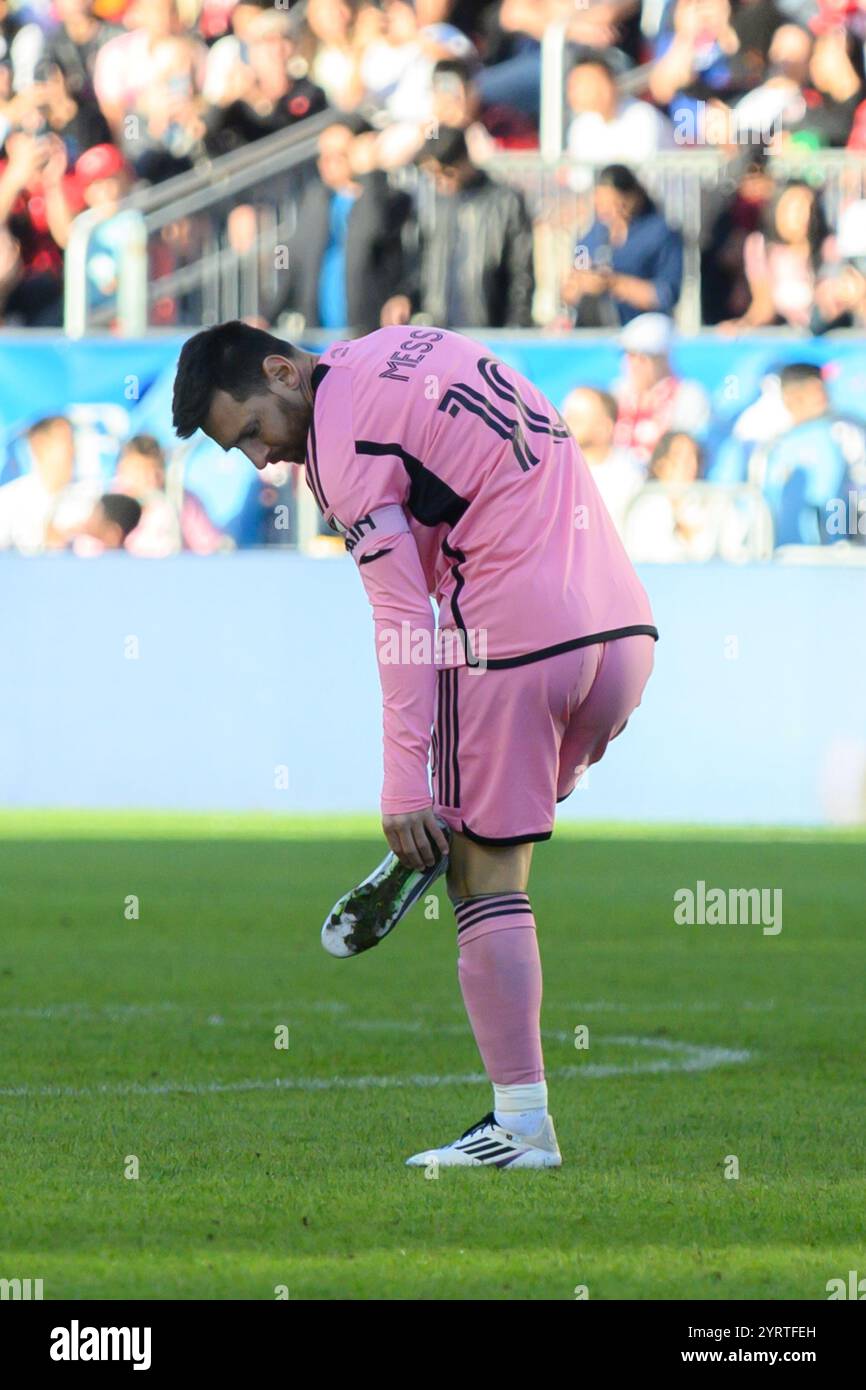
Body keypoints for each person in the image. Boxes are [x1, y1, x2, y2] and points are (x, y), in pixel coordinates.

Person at [171, 318, 657, 1169]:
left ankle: (522, 1126)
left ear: (283, 373)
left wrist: (403, 784)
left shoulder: (340, 447)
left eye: (250, 430)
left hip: (518, 639)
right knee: (495, 829)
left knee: (484, 881)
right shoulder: (409, 345)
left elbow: (405, 623)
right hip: (622, 635)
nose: (259, 459)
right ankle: (457, 817)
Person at [266, 118, 412, 336]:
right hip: (319, 334)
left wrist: (370, 172)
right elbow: (292, 259)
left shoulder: (391, 199)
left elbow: (369, 232)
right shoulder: (316, 199)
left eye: (339, 155)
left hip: (367, 333)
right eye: (322, 156)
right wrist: (267, 314)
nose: (327, 164)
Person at [380, 125, 534, 328]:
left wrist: (515, 328)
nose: (439, 183)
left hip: (488, 330)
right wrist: (404, 295)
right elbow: (420, 264)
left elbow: (521, 274)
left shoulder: (505, 202)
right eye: (432, 176)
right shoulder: (431, 204)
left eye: (445, 173)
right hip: (440, 330)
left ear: (464, 161)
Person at [755, 362, 866, 547]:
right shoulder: (767, 433)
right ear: (792, 397)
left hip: (851, 532)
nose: (823, 397)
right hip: (784, 546)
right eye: (814, 391)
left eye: (822, 390)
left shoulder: (846, 430)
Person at [562, 164, 683, 327]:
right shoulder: (592, 235)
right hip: (596, 331)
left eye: (614, 203)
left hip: (643, 330)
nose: (608, 211)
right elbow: (570, 290)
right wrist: (578, 285)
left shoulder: (660, 233)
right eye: (601, 204)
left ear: (632, 198)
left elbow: (665, 295)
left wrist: (612, 284)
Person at [611, 312, 710, 467]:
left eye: (642, 358)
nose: (634, 365)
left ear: (663, 360)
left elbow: (686, 455)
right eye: (629, 356)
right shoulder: (617, 393)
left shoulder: (688, 396)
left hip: (662, 484)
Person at [111, 433, 228, 556]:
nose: (151, 478)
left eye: (157, 469)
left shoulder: (181, 501)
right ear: (123, 469)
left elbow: (209, 546)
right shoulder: (112, 506)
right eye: (141, 470)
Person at [0, 415, 96, 551]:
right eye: (64, 441)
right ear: (38, 444)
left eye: (72, 442)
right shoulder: (9, 499)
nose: (71, 450)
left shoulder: (91, 498)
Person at [561, 385, 644, 533]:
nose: (563, 424)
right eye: (565, 416)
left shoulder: (629, 476)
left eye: (576, 419)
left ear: (604, 428)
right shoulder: (550, 471)